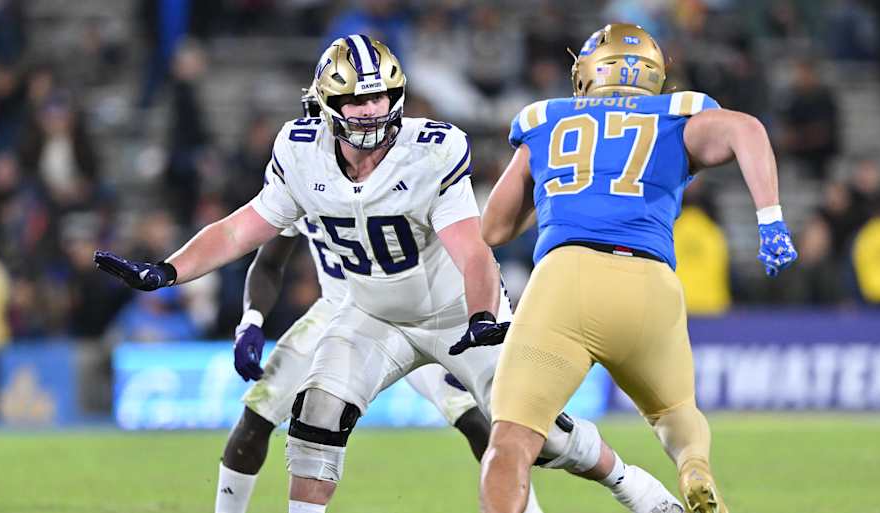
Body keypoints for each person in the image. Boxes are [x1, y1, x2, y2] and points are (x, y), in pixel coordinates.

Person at [95, 34, 681, 513]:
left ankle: (630, 484)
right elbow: (244, 229)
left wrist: (482, 314)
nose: (371, 111)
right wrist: (170, 270)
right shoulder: (300, 150)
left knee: (538, 434)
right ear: (327, 105)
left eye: (380, 98)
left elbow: (472, 249)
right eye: (357, 101)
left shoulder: (432, 148)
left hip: (454, 313)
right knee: (315, 413)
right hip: (369, 311)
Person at [474, 24, 798, 513]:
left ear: (585, 75)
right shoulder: (676, 113)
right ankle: (694, 467)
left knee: (512, 439)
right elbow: (746, 128)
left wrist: (557, 184)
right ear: (655, 76)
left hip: (566, 280)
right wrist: (770, 219)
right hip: (649, 284)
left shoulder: (547, 118)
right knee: (677, 416)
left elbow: (493, 228)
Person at [215, 212, 542, 513]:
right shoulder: (302, 172)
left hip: (415, 313)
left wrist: (468, 324)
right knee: (258, 414)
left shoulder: (399, 173)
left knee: (479, 422)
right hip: (336, 309)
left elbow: (464, 249)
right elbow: (269, 261)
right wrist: (252, 319)